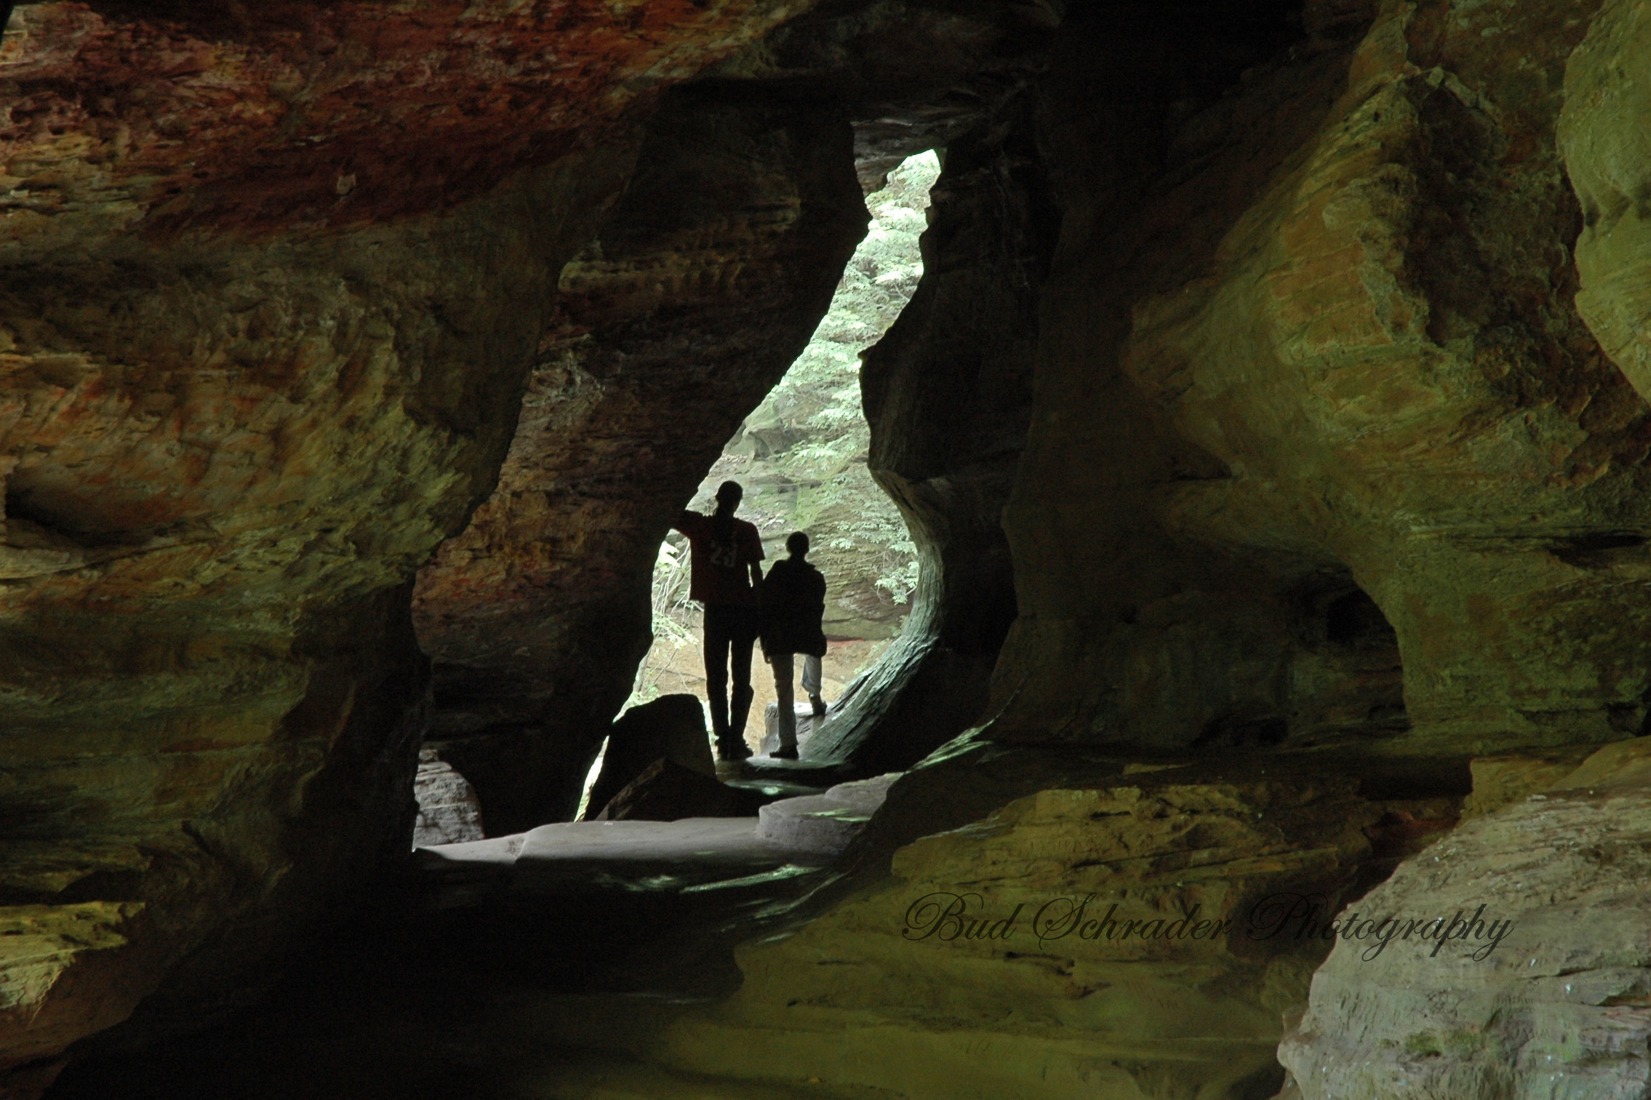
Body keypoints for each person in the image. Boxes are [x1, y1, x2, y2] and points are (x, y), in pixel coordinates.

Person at [674, 480, 764, 760]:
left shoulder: (700, 526)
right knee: (741, 676)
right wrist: (761, 609)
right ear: (737, 502)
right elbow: (756, 574)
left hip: (715, 611)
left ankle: (723, 739)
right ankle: (735, 738)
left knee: (716, 677)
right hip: (743, 611)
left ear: (717, 498)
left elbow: (671, 512)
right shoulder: (747, 531)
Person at [759, 531, 828, 760]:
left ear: (787, 548)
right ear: (807, 550)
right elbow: (817, 609)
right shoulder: (815, 578)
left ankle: (788, 745)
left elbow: (765, 605)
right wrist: (817, 636)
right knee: (813, 653)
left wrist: (765, 639)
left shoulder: (778, 572)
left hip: (780, 635)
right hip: (806, 632)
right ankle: (815, 696)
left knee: (784, 689)